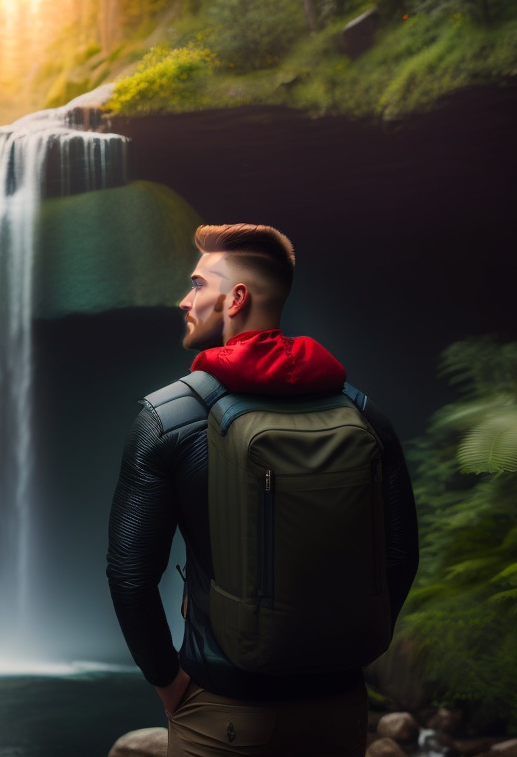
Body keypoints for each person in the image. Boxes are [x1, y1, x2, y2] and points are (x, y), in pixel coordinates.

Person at [106, 224, 419, 756]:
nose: (185, 300)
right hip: (338, 707)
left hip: (222, 710)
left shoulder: (166, 418)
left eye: (198, 284)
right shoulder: (362, 413)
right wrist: (343, 653)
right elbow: (399, 555)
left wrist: (171, 687)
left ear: (236, 298)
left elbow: (130, 576)